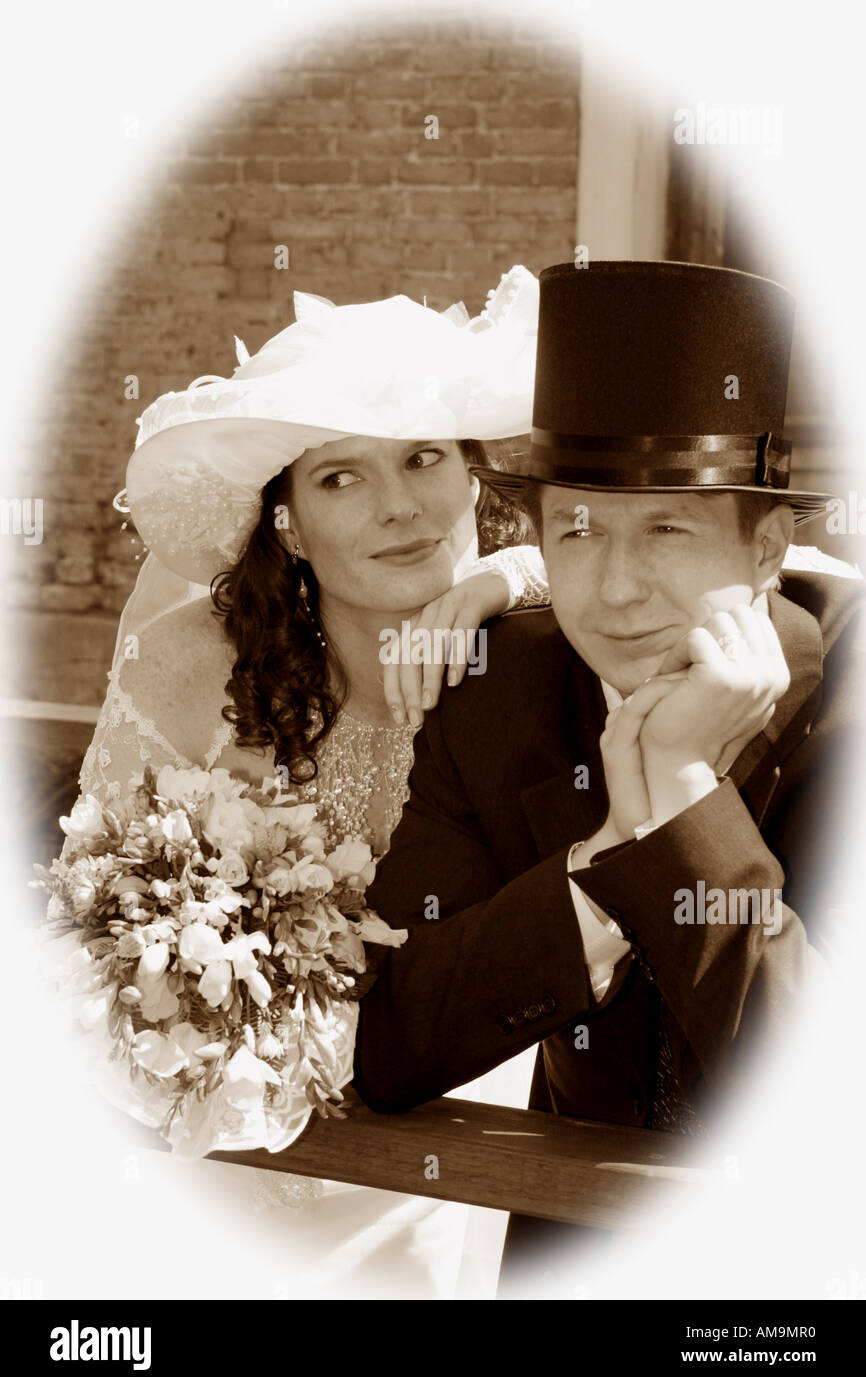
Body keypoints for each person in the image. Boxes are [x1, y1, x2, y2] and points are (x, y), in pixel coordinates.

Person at [352, 260, 866, 1294]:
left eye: (666, 529)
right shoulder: (496, 700)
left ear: (765, 547)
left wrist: (680, 794)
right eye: (576, 530)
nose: (616, 587)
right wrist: (602, 867)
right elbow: (393, 1039)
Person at [60, 266, 549, 1299]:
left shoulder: (548, 652)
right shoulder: (196, 665)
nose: (399, 507)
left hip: (460, 1150)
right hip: (232, 1150)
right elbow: (90, 926)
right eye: (340, 477)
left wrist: (513, 576)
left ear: (473, 477)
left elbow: (777, 589)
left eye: (423, 458)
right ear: (286, 520)